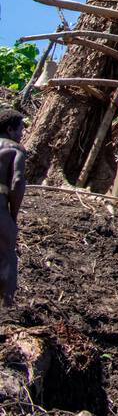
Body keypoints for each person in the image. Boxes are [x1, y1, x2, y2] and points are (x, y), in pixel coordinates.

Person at [0, 109, 26, 308]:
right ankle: (8, 310)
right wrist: (13, 216)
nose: (22, 133)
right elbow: (17, 182)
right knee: (7, 254)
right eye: (20, 129)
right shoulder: (14, 149)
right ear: (10, 129)